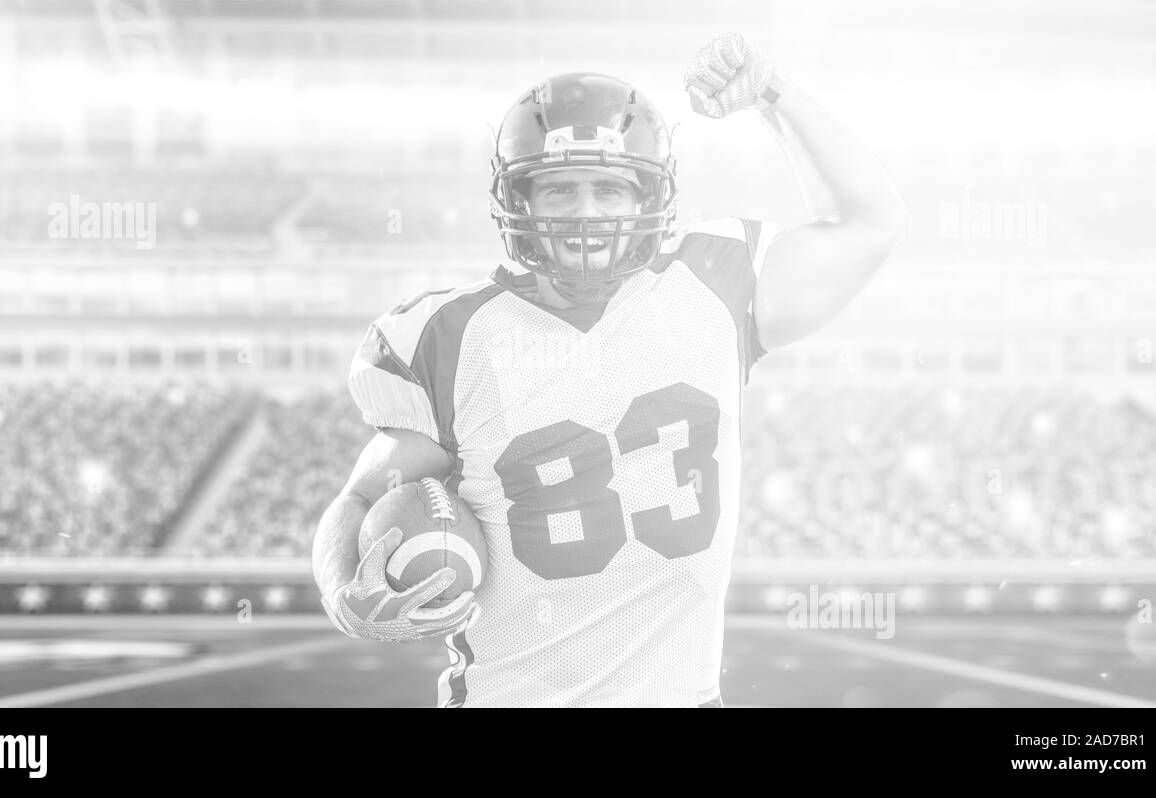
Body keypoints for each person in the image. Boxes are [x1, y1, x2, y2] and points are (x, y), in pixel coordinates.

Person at [311, 32, 909, 707]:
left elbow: (872, 220)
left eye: (608, 189)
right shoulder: (450, 337)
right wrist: (342, 589)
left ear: (648, 196)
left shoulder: (716, 285)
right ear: (519, 200)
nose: (587, 213)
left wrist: (774, 94)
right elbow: (358, 499)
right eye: (559, 191)